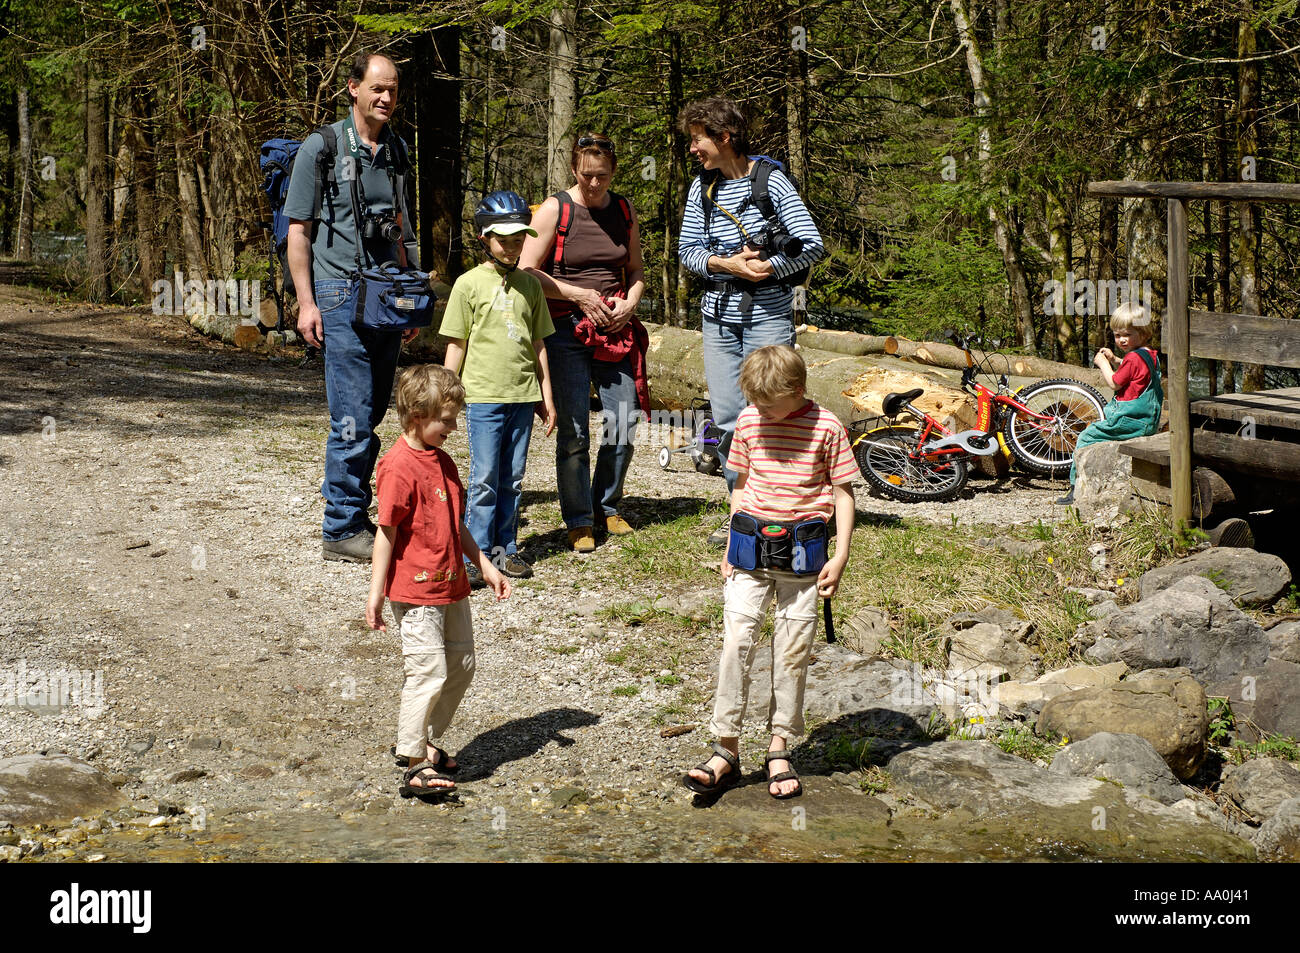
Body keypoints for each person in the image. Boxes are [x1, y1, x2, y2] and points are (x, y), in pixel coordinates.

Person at [682, 346, 856, 800]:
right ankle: (726, 750)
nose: (758, 409)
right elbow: (740, 485)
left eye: (767, 402)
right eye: (753, 401)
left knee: (792, 649)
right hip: (749, 550)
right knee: (737, 640)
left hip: (804, 556)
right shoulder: (749, 421)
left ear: (797, 390)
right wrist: (729, 547)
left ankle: (779, 748)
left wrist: (840, 556)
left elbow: (842, 495)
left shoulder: (827, 426)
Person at [285, 51, 417, 562]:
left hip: (386, 294)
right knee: (352, 415)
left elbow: (401, 228)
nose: (386, 99)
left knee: (376, 409)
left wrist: (408, 298)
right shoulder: (319, 148)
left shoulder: (398, 151)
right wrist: (305, 303)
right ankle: (340, 527)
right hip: (338, 294)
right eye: (377, 88)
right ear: (353, 88)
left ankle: (356, 512)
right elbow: (299, 232)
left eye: (393, 91)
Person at [677, 97, 826, 546]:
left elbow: (812, 244)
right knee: (726, 419)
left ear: (724, 137)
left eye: (697, 139)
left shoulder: (770, 180)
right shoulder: (700, 189)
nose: (692, 149)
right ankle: (742, 515)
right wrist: (728, 266)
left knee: (771, 414)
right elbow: (688, 254)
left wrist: (767, 270)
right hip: (718, 319)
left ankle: (786, 513)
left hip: (766, 317)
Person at [366, 364, 510, 801]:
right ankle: (413, 765)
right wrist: (375, 595)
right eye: (446, 419)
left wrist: (484, 563)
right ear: (416, 416)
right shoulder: (397, 465)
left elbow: (456, 524)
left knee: (461, 667)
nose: (453, 426)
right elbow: (386, 532)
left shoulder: (443, 461)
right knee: (427, 672)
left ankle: (421, 738)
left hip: (452, 586)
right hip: (415, 591)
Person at [520, 133, 648, 554]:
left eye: (603, 176)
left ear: (614, 172)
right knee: (574, 430)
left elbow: (635, 270)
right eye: (587, 176)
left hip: (614, 330)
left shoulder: (624, 210)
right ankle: (578, 519)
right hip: (565, 329)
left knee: (624, 421)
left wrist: (629, 303)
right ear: (574, 170)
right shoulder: (556, 209)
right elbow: (526, 269)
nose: (595, 184)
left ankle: (607, 504)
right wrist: (579, 295)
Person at [440, 191, 557, 586]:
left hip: (523, 398)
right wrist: (446, 395)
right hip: (483, 398)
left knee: (514, 477)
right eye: (503, 240)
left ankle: (504, 549)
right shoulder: (468, 284)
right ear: (483, 239)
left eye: (518, 239)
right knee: (485, 476)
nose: (511, 247)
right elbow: (456, 344)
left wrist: (547, 397)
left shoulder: (531, 286)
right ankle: (474, 556)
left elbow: (538, 343)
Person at [1057, 303, 1163, 505]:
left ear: (1143, 333)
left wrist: (1104, 364)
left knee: (1087, 436)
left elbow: (1114, 382)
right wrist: (1115, 359)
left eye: (1127, 334)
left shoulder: (1133, 358)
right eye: (1117, 335)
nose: (1121, 339)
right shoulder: (1150, 355)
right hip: (1147, 420)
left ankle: (1074, 488)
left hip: (1130, 421)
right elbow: (1134, 371)